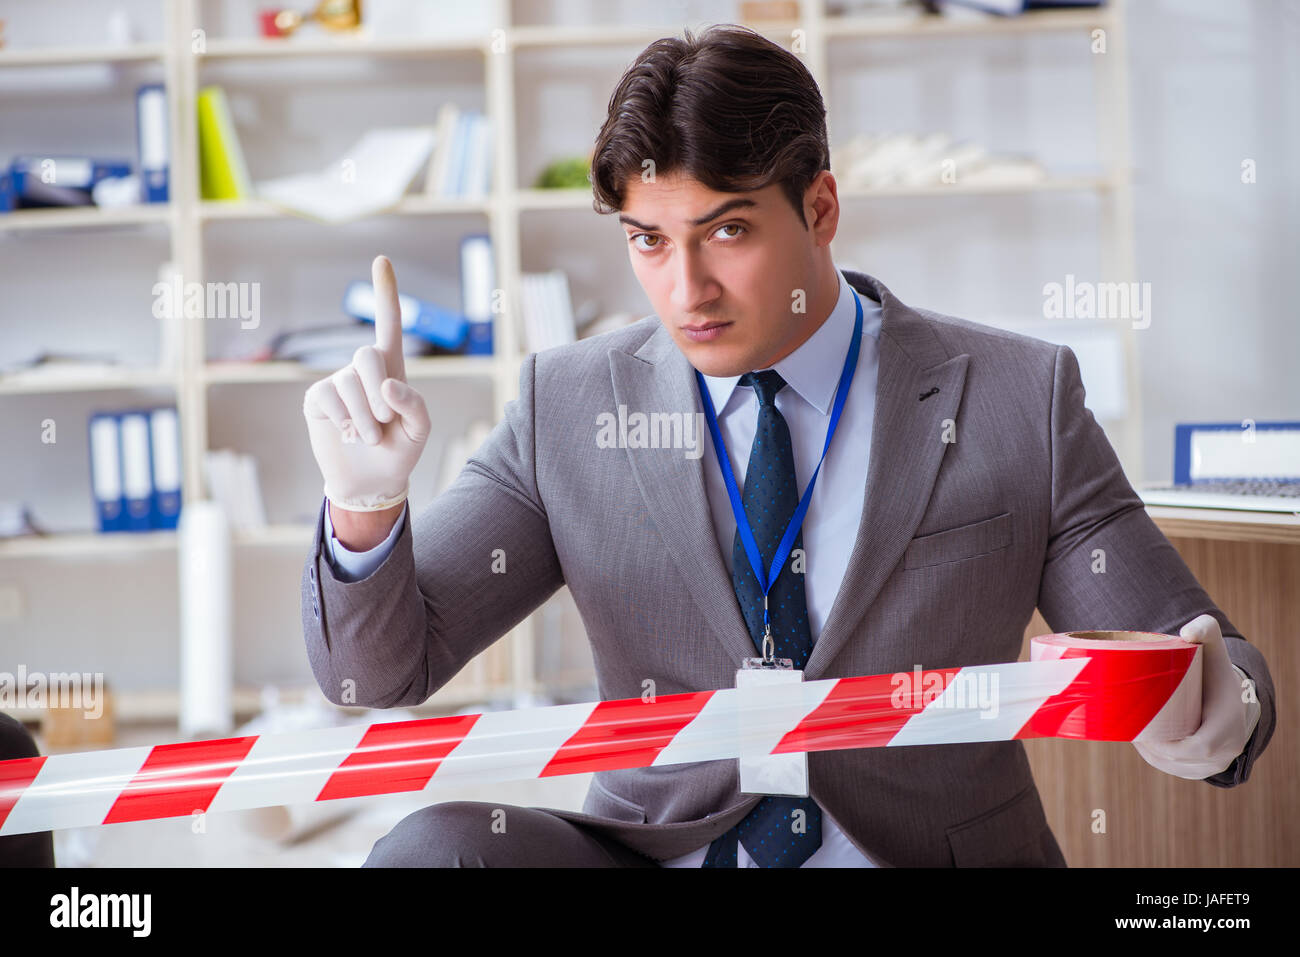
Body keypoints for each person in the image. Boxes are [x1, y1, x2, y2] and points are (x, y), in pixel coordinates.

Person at [300, 25, 1274, 867]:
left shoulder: (1017, 395)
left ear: (819, 209)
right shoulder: (566, 406)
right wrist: (366, 504)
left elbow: (1206, 654)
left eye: (725, 231)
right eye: (647, 240)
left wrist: (1209, 709)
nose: (685, 290)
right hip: (668, 851)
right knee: (432, 850)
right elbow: (378, 677)